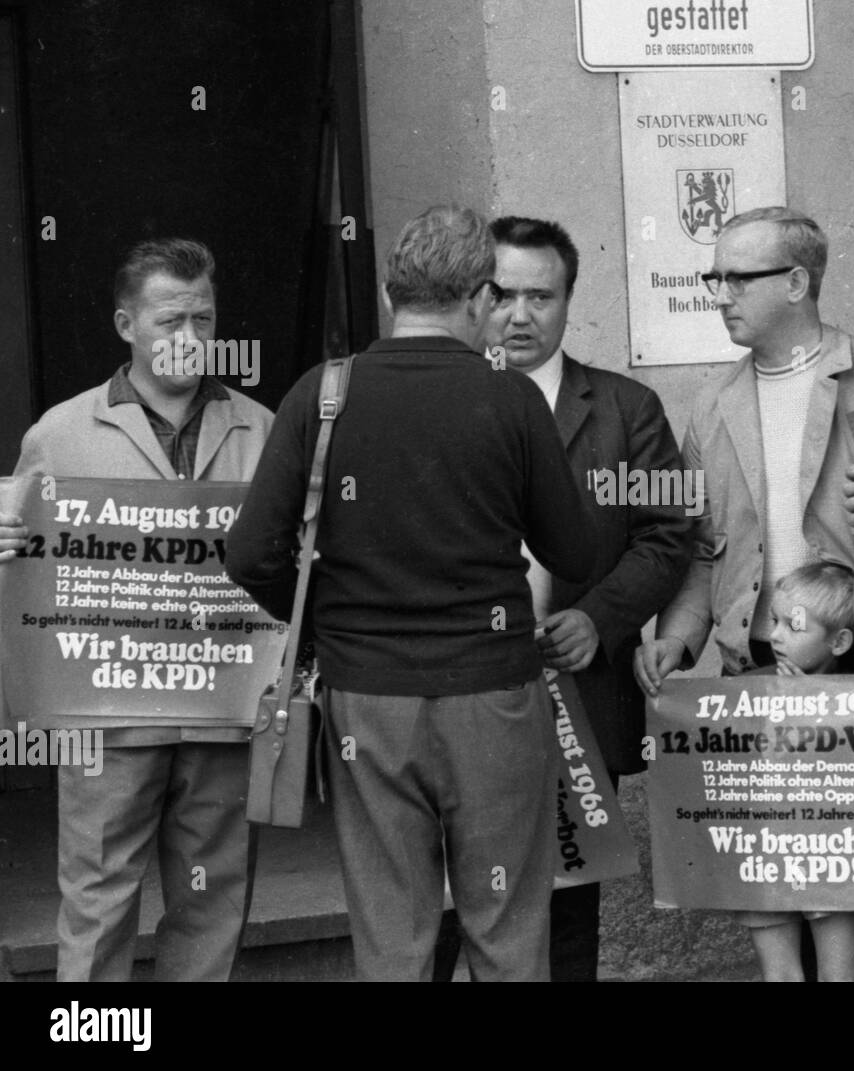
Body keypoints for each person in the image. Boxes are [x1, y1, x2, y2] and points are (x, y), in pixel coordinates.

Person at [224, 204, 593, 982]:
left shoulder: (321, 394)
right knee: (507, 928)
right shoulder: (513, 399)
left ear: (392, 298)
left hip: (368, 700)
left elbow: (251, 552)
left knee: (393, 934)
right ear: (480, 300)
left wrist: (329, 629)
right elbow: (574, 551)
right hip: (492, 695)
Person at [635, 205, 854, 982]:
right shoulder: (712, 402)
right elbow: (705, 553)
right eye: (715, 277)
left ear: (798, 281)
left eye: (737, 277)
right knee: (777, 868)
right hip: (760, 670)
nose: (720, 293)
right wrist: (677, 634)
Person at [0, 238, 273, 981]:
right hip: (105, 714)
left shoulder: (265, 428)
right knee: (97, 897)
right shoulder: (58, 434)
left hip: (223, 706)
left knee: (213, 895)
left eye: (204, 320)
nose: (189, 338)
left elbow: (295, 561)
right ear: (127, 324)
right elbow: (21, 567)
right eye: (170, 320)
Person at [435, 215, 693, 982]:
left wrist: (600, 618)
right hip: (457, 694)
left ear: (569, 300)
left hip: (575, 690)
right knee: (448, 906)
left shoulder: (626, 408)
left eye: (540, 296)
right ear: (476, 297)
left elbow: (667, 533)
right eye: (503, 294)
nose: (519, 314)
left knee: (568, 911)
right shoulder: (438, 405)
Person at [738, 561, 854, 982]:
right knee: (780, 974)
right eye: (774, 621)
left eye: (793, 626)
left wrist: (811, 709)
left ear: (839, 641)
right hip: (764, 854)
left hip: (832, 859)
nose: (774, 635)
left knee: (839, 976)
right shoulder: (743, 696)